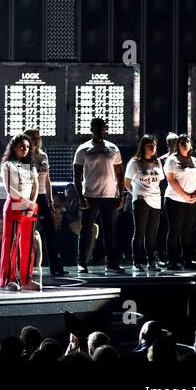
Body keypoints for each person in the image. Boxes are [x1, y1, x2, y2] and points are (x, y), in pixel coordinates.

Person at [73, 117, 125, 273]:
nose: (102, 131)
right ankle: (81, 262)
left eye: (104, 128)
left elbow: (120, 173)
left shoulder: (113, 148)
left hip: (109, 195)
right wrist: (81, 197)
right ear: (92, 129)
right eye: (99, 128)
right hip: (90, 195)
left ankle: (112, 263)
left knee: (110, 231)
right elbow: (76, 175)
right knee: (86, 230)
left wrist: (120, 195)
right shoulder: (83, 149)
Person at [0, 132, 39, 291]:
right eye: (22, 146)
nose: (25, 149)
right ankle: (8, 279)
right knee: (11, 244)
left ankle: (26, 279)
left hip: (30, 208)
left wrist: (32, 204)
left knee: (28, 245)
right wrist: (28, 203)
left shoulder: (30, 166)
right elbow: (10, 189)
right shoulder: (7, 165)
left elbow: (36, 185)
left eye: (28, 147)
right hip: (14, 206)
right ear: (14, 147)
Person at [25, 127, 65, 276]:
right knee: (28, 231)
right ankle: (25, 267)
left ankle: (56, 267)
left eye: (37, 136)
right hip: (29, 197)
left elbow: (47, 179)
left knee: (50, 232)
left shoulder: (43, 156)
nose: (36, 138)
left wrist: (50, 198)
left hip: (42, 196)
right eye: (32, 136)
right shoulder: (25, 157)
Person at [124, 135, 164, 272]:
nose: (152, 148)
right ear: (143, 147)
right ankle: (137, 262)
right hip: (141, 200)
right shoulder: (135, 163)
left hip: (156, 200)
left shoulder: (158, 162)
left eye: (154, 145)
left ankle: (152, 261)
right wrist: (136, 194)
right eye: (149, 146)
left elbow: (160, 180)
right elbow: (127, 183)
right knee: (139, 232)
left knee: (152, 233)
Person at [163, 134, 196, 269]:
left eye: (187, 142)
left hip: (191, 200)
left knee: (187, 231)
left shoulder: (194, 160)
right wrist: (184, 195)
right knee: (175, 230)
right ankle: (172, 261)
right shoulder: (172, 160)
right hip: (175, 199)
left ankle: (188, 260)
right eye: (182, 142)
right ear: (178, 146)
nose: (185, 144)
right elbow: (171, 180)